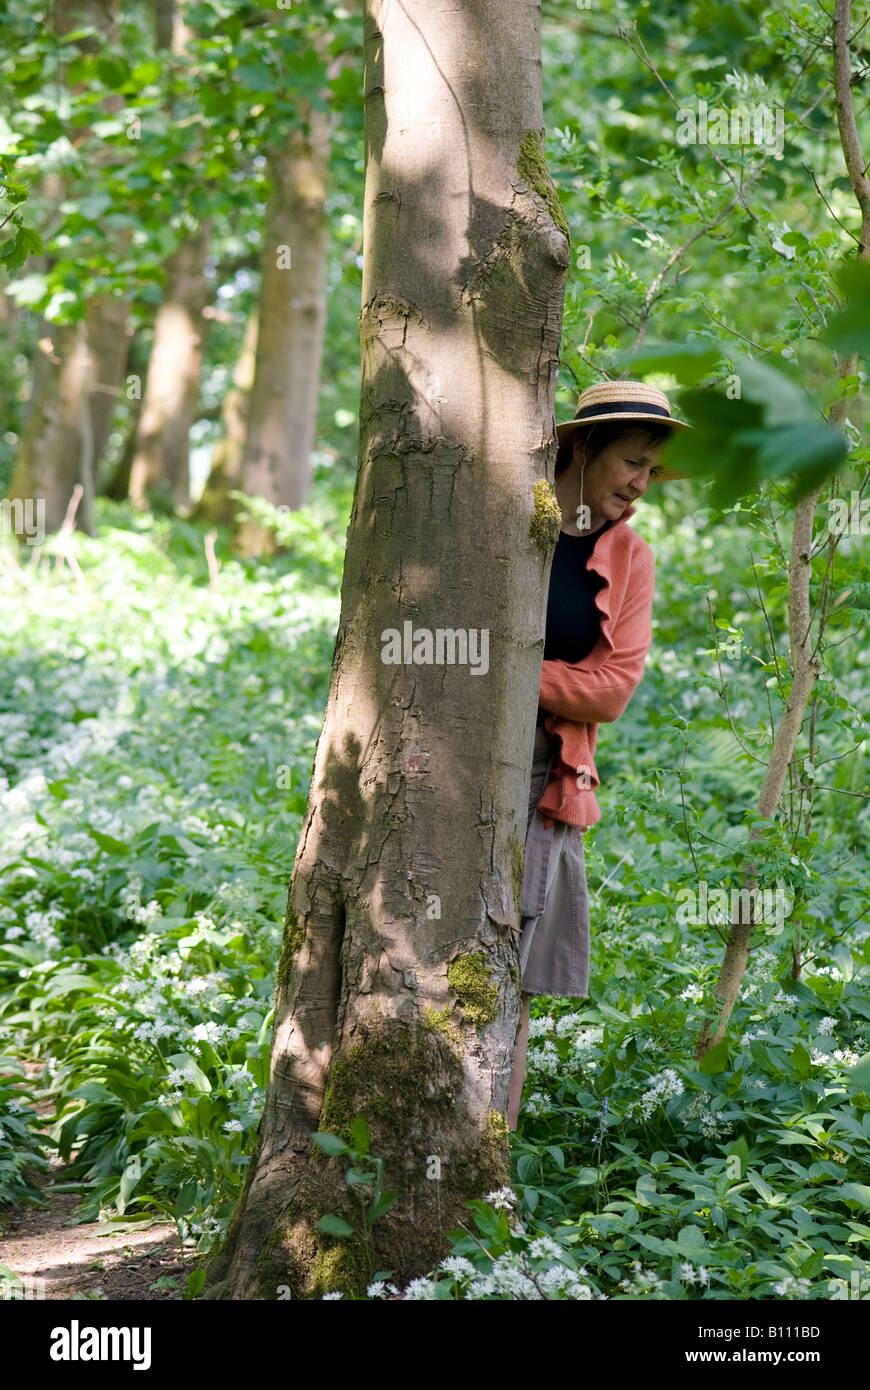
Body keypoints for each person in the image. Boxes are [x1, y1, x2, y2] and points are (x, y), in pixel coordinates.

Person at [506, 380, 690, 1130]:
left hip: (549, 775)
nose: (642, 484)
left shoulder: (632, 558)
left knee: (506, 979)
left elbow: (611, 689)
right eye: (632, 463)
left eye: (651, 470)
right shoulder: (511, 518)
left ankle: (489, 1173)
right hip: (451, 762)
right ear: (582, 448)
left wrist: (510, 669)